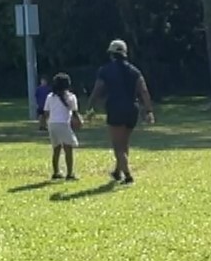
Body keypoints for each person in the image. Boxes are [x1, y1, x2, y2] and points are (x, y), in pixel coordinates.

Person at [91, 39, 155, 184]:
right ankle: (117, 171)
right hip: (132, 109)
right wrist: (149, 110)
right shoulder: (134, 71)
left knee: (117, 145)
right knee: (124, 142)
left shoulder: (105, 70)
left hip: (115, 108)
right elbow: (143, 91)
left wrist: (91, 106)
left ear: (111, 54)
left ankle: (128, 174)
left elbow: (97, 90)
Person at [38, 73, 82, 180]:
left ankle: (56, 172)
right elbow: (75, 113)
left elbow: (46, 113)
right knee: (68, 150)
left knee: (56, 149)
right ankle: (70, 173)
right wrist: (80, 121)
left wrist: (46, 123)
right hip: (63, 124)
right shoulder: (71, 97)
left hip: (52, 124)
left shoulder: (50, 97)